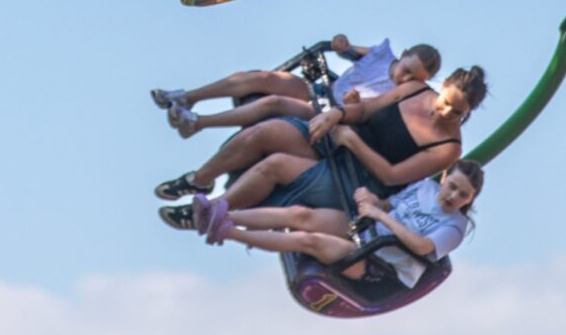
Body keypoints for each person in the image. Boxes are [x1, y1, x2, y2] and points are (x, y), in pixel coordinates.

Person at [154, 66, 488, 224]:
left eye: (457, 113)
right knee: (267, 131)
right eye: (445, 102)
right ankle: (199, 179)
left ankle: (210, 212)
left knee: (276, 166)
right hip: (338, 141)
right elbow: (366, 111)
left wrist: (352, 141)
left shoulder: (449, 147)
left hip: (356, 180)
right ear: (441, 86)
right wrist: (338, 114)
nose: (445, 112)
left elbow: (390, 176)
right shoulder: (415, 89)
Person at [184, 164, 484, 297]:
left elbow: (421, 247)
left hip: (378, 261)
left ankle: (225, 232)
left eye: (463, 195)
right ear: (445, 178)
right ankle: (222, 213)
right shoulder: (427, 187)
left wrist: (379, 214)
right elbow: (390, 204)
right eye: (453, 186)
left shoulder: (455, 226)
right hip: (366, 229)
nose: (453, 196)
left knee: (307, 240)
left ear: (469, 201)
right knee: (300, 215)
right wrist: (372, 200)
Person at [149, 37, 441, 138]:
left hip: (333, 114)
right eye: (406, 71)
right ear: (402, 57)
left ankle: (198, 124)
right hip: (323, 91)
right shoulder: (381, 56)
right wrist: (342, 43)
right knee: (262, 78)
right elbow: (348, 49)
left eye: (412, 79)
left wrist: (353, 105)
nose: (404, 80)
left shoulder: (401, 97)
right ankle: (189, 97)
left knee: (272, 103)